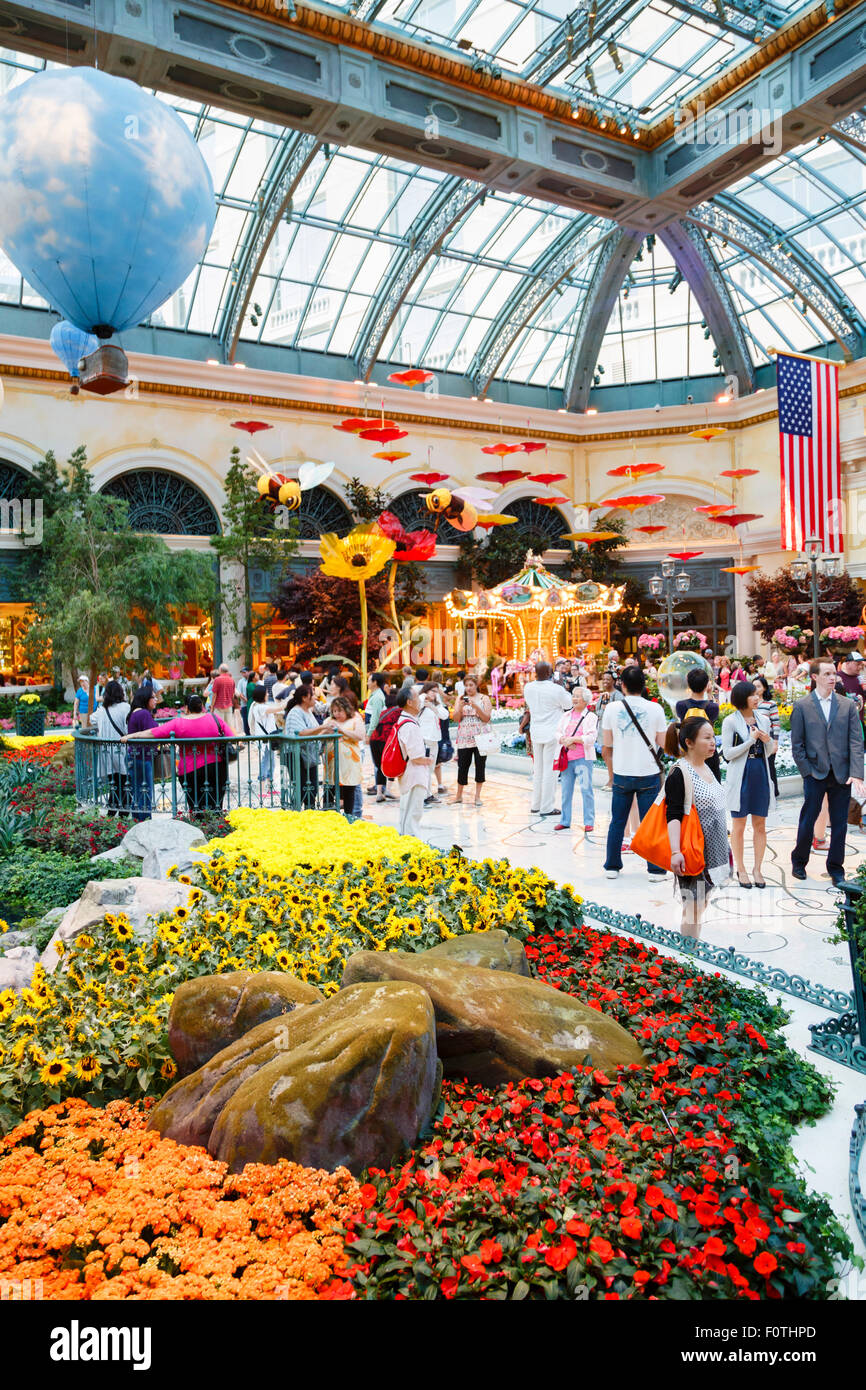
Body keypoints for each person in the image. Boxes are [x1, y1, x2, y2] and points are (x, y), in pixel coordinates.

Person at [790, 658, 865, 887]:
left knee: (840, 823)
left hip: (841, 774)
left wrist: (857, 773)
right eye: (827, 674)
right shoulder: (802, 706)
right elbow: (797, 744)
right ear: (814, 677)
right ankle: (799, 862)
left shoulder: (846, 705)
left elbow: (855, 741)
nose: (833, 678)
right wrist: (807, 772)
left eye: (834, 674)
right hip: (815, 773)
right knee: (808, 818)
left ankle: (836, 868)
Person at [665, 717, 731, 937]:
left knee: (700, 905)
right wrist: (675, 852)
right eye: (707, 737)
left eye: (713, 737)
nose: (713, 742)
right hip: (694, 851)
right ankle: (687, 957)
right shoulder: (679, 772)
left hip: (715, 849)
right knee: (693, 907)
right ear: (689, 742)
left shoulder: (709, 765)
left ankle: (690, 949)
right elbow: (673, 815)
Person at [602, 664, 667, 880]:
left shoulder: (612, 709)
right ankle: (655, 868)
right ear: (644, 685)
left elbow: (607, 746)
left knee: (618, 821)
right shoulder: (655, 709)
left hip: (622, 771)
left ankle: (612, 866)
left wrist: (611, 775)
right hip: (648, 772)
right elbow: (663, 743)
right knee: (651, 821)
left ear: (622, 684)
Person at [125, 693, 233, 816]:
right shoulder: (214, 718)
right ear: (202, 706)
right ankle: (216, 828)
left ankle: (201, 829)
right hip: (217, 767)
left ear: (186, 708)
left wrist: (132, 735)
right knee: (216, 803)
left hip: (191, 769)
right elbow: (231, 736)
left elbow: (154, 733)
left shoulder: (178, 723)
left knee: (196, 805)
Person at [721, 680, 776, 889]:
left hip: (760, 773)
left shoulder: (763, 719)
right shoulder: (730, 722)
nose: (757, 697)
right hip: (741, 776)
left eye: (757, 694)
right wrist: (751, 741)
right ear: (742, 697)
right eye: (752, 694)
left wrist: (766, 740)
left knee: (760, 825)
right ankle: (741, 868)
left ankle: (758, 869)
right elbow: (728, 754)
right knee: (739, 825)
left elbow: (769, 751)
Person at [523, 662, 572, 817]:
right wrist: (560, 686)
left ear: (535, 672)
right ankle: (547, 807)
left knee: (538, 770)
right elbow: (568, 704)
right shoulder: (556, 689)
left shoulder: (528, 687)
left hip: (536, 732)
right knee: (550, 771)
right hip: (552, 733)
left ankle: (535, 805)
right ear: (550, 672)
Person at [555, 687, 597, 833]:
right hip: (567, 759)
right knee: (566, 791)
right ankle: (565, 821)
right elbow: (557, 732)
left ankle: (589, 821)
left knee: (586, 790)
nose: (574, 698)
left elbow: (591, 738)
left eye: (578, 696)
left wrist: (574, 739)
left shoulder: (591, 717)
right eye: (573, 696)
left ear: (585, 700)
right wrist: (564, 740)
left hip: (582, 760)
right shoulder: (566, 715)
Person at [393, 686, 431, 838]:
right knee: (413, 813)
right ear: (409, 702)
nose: (420, 700)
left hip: (408, 773)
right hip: (414, 774)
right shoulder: (410, 725)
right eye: (417, 697)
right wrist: (428, 760)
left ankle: (407, 841)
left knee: (407, 811)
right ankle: (411, 846)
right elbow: (416, 756)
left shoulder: (404, 720)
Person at [320, 695, 365, 817]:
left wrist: (341, 730)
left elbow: (360, 736)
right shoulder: (329, 721)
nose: (337, 713)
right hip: (331, 763)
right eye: (334, 711)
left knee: (349, 791)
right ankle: (329, 818)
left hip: (349, 764)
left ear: (346, 709)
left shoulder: (355, 719)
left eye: (339, 710)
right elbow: (320, 735)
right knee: (329, 790)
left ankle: (349, 817)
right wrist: (327, 729)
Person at [451, 674, 492, 808]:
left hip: (481, 737)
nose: (468, 688)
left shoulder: (484, 698)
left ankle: (477, 796)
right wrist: (460, 708)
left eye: (471, 685)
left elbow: (486, 718)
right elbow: (456, 718)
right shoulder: (460, 698)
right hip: (464, 737)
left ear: (476, 685)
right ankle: (458, 795)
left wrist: (475, 706)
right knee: (462, 766)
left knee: (480, 766)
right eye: (466, 685)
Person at [92, 679, 131, 814]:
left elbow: (92, 719)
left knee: (113, 784)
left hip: (106, 752)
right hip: (122, 750)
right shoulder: (125, 707)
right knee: (124, 783)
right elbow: (128, 726)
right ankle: (121, 812)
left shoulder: (102, 711)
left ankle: (114, 812)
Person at [675, 667, 721, 781]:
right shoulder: (712, 707)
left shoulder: (680, 705)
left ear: (688, 685)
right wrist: (710, 695)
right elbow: (714, 715)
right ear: (707, 686)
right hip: (708, 752)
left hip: (689, 751)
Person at [248, 684, 289, 800]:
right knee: (265, 763)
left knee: (271, 762)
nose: (267, 694)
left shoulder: (261, 706)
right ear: (261, 695)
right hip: (265, 740)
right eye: (266, 692)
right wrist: (289, 697)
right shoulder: (259, 707)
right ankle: (262, 790)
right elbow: (278, 708)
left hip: (269, 739)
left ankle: (270, 788)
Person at [284, 685, 323, 808]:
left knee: (312, 788)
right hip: (297, 755)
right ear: (305, 698)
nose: (315, 697)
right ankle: (296, 815)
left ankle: (308, 814)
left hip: (309, 755)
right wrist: (322, 728)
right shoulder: (296, 712)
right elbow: (300, 732)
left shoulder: (308, 712)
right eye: (313, 694)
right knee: (302, 788)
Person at [126, 687, 159, 821]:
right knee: (145, 791)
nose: (156, 700)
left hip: (135, 756)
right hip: (142, 757)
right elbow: (155, 732)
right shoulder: (143, 714)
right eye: (153, 697)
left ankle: (137, 821)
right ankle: (144, 822)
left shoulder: (135, 713)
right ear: (146, 698)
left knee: (137, 791)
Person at [418, 680, 449, 804]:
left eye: (436, 692)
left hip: (434, 740)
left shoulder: (436, 704)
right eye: (433, 691)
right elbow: (416, 706)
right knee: (423, 769)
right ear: (426, 690)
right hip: (423, 740)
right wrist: (424, 697)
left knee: (429, 769)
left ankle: (427, 794)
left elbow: (445, 715)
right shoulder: (420, 700)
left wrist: (432, 706)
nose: (435, 694)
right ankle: (423, 795)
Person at [365, 672, 391, 800]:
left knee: (379, 763)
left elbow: (375, 718)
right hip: (378, 734)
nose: (367, 683)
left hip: (378, 735)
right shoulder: (376, 695)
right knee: (379, 763)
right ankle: (381, 789)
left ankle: (381, 790)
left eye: (369, 680)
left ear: (375, 682)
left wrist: (368, 734)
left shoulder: (377, 697)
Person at [753, 674, 781, 796]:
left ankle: (773, 792)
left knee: (769, 766)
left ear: (764, 688)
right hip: (754, 740)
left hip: (767, 739)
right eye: (754, 686)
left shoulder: (770, 704)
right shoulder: (750, 704)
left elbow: (776, 723)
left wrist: (775, 742)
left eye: (758, 686)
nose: (756, 689)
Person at [211, 663, 236, 728]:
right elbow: (233, 695)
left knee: (219, 726)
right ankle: (229, 738)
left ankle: (221, 738)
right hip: (229, 705)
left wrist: (212, 707)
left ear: (220, 670)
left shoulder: (217, 680)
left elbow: (214, 695)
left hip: (219, 706)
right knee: (229, 726)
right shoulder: (232, 680)